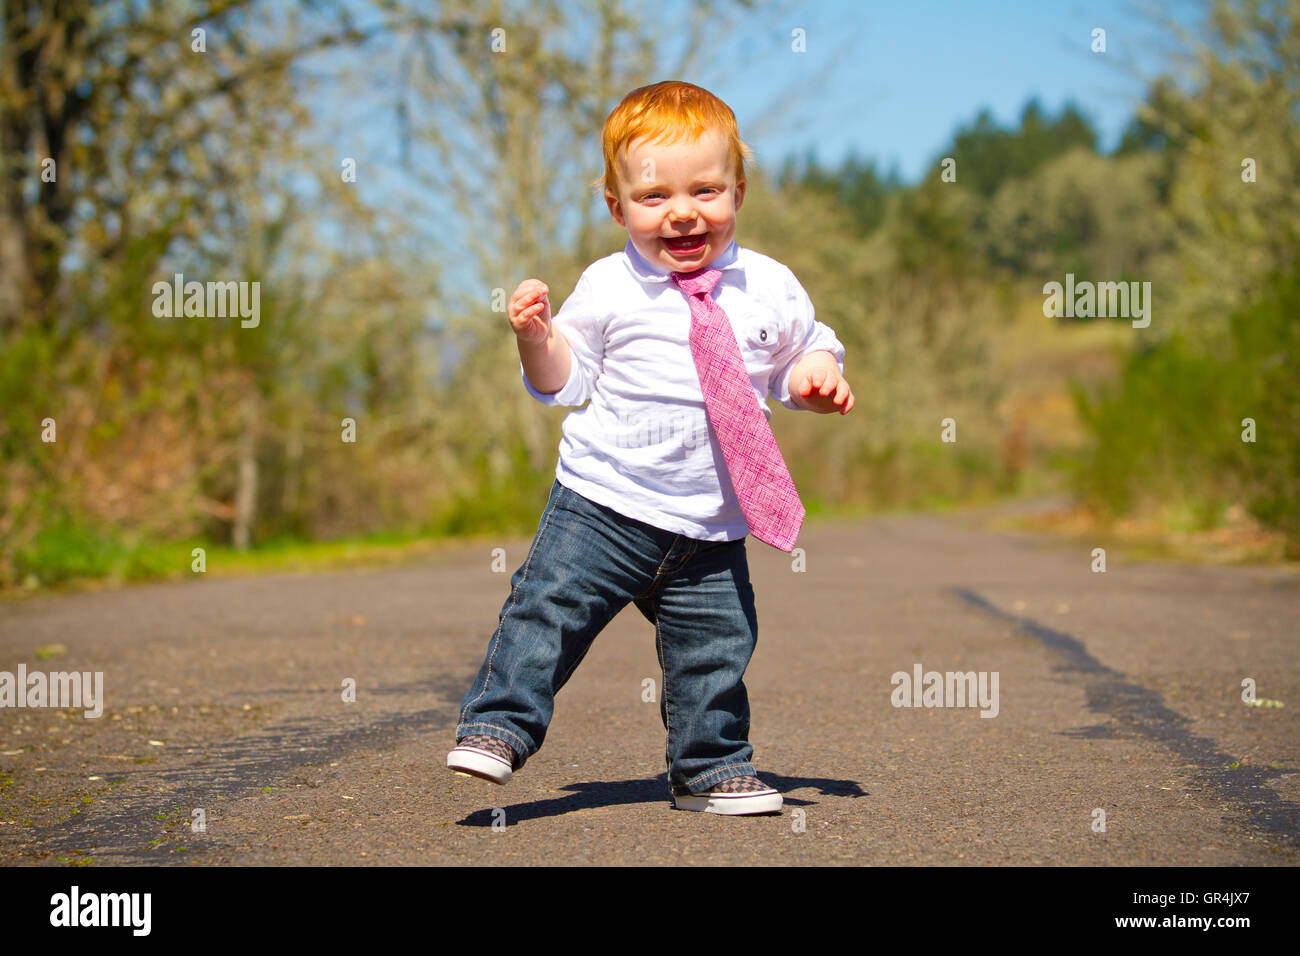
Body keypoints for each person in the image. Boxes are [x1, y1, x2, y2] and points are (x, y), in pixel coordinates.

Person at [447, 80, 855, 815]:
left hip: (710, 522)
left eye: (706, 189)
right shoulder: (609, 286)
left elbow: (796, 357)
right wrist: (537, 339)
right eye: (654, 197)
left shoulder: (769, 285)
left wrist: (815, 375)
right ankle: (499, 725)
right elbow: (566, 383)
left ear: (739, 190)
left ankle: (708, 769)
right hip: (605, 502)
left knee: (717, 650)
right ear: (616, 205)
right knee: (547, 612)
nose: (683, 212)